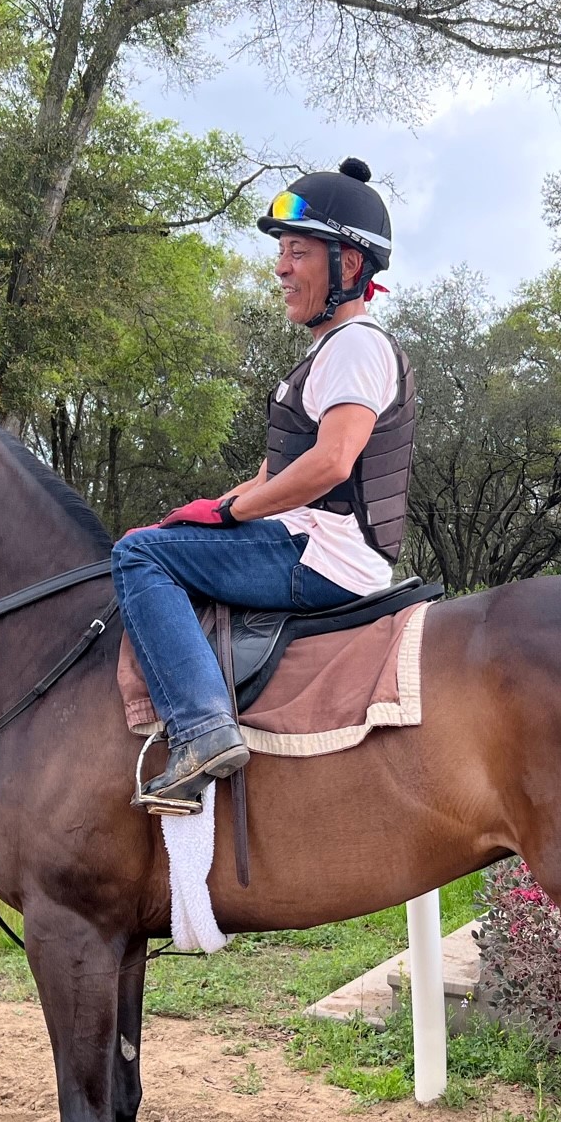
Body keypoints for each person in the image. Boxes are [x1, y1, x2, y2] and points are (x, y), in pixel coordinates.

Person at [112, 157, 417, 811]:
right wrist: (217, 506)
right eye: (282, 251)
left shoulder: (358, 346)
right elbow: (278, 470)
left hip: (323, 554)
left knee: (137, 553)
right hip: (311, 542)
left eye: (298, 251)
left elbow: (333, 464)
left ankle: (199, 730)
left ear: (350, 267)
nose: (281, 267)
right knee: (163, 536)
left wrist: (236, 513)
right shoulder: (329, 350)